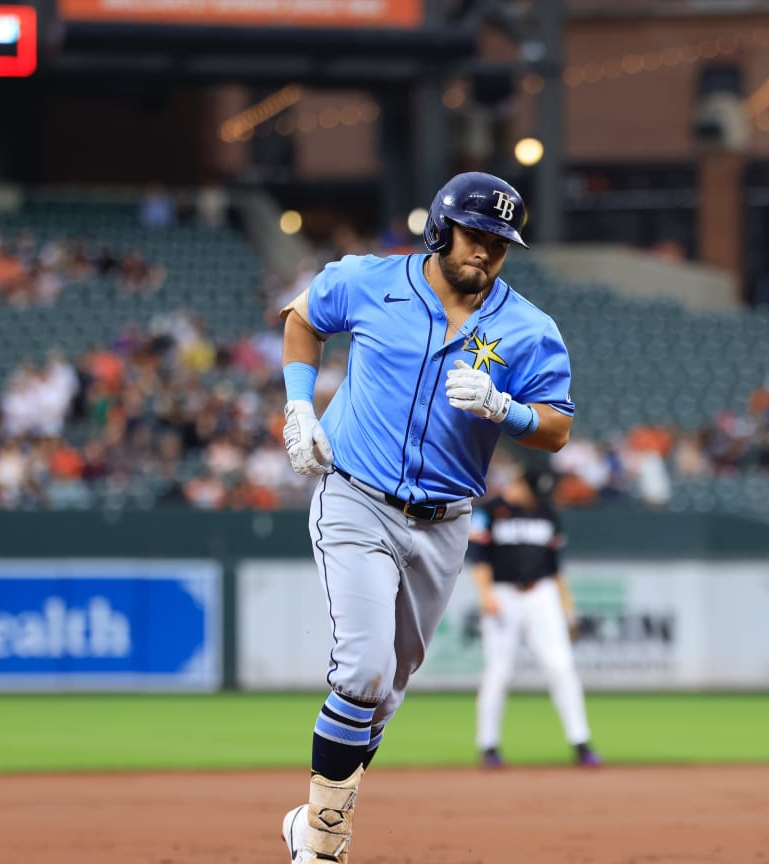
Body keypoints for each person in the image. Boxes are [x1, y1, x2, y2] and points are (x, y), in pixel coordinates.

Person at [277, 172, 574, 863]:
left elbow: (557, 428)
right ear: (441, 228)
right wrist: (298, 406)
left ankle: (311, 820)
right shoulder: (370, 281)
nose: (488, 252)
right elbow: (302, 319)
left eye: (501, 243)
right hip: (355, 495)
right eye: (477, 236)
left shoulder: (529, 328)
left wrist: (510, 410)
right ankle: (323, 840)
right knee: (362, 673)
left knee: (387, 693)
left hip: (444, 520)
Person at [469, 464, 600, 769]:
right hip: (503, 594)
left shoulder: (547, 514)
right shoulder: (490, 512)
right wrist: (485, 594)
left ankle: (581, 742)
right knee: (499, 671)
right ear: (519, 485)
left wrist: (568, 608)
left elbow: (555, 567)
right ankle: (488, 746)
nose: (536, 497)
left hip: (542, 595)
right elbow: (478, 557)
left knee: (561, 665)